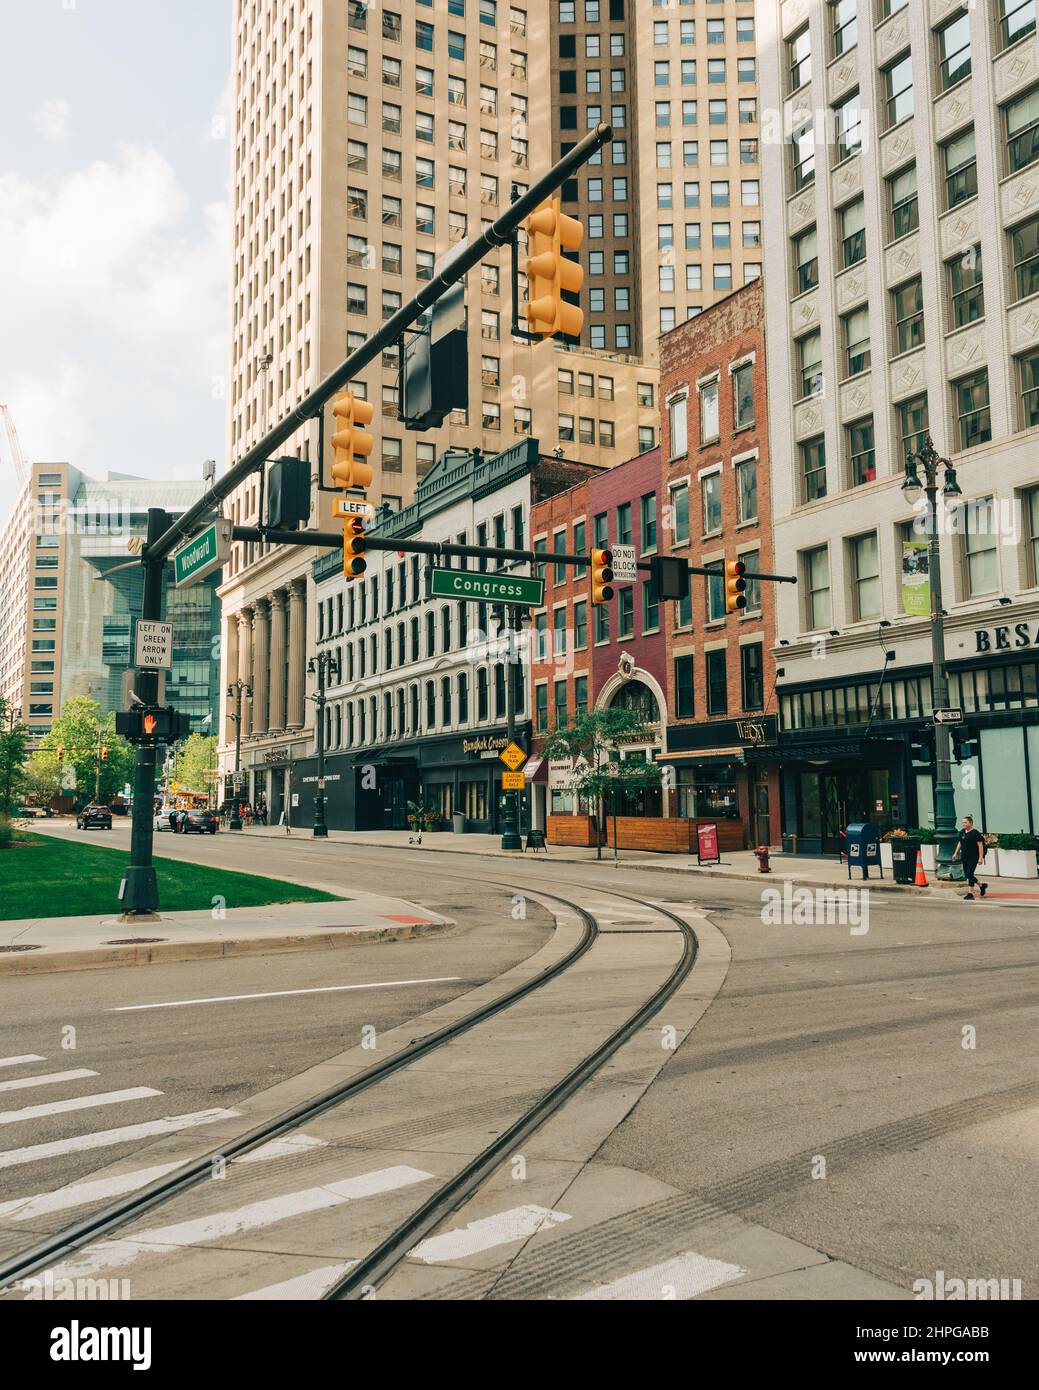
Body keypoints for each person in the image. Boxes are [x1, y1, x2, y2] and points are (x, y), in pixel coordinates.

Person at [953, 815, 988, 900]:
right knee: (968, 874)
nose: (963, 824)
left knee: (969, 873)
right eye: (963, 822)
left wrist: (980, 858)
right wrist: (955, 853)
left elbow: (980, 846)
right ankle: (981, 885)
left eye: (965, 822)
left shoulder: (975, 833)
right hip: (964, 856)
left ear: (971, 823)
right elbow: (960, 843)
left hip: (973, 856)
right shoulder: (962, 832)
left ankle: (970, 893)